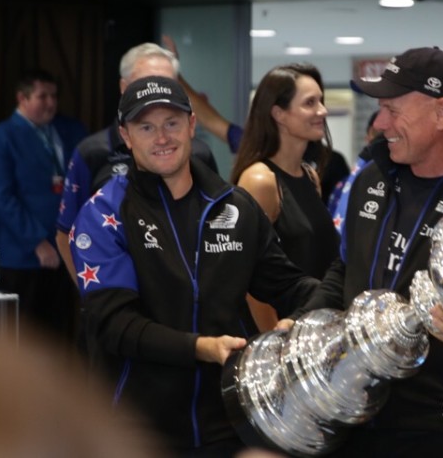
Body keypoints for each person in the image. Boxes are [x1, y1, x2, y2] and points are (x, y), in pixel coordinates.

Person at [296, 47, 443, 457]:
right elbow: (346, 268)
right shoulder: (371, 180)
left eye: (393, 109)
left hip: (440, 431)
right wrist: (303, 325)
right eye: (380, 109)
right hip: (354, 415)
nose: (381, 123)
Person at [70, 76, 319, 456]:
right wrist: (202, 348)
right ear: (126, 136)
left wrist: (303, 317)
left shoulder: (234, 206)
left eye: (171, 123)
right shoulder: (104, 213)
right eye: (146, 127)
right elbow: (114, 326)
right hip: (139, 430)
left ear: (191, 125)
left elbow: (290, 286)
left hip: (231, 423)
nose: (162, 137)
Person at [54, 42, 218, 281]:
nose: (157, 92)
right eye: (146, 83)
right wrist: (93, 295)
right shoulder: (92, 152)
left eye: (168, 83)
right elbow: (66, 233)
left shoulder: (198, 153)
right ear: (124, 87)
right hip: (117, 296)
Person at [230, 64, 341, 330]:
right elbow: (250, 281)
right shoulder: (260, 180)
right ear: (278, 113)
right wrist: (275, 343)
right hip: (285, 339)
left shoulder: (310, 176)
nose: (322, 111)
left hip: (317, 330)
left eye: (321, 101)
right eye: (310, 103)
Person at [0, 69, 87, 343]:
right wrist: (37, 241)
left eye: (54, 96)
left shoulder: (69, 129)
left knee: (58, 333)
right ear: (22, 98)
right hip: (24, 256)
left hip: (66, 250)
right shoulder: (0, 138)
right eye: (42, 96)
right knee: (25, 338)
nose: (51, 103)